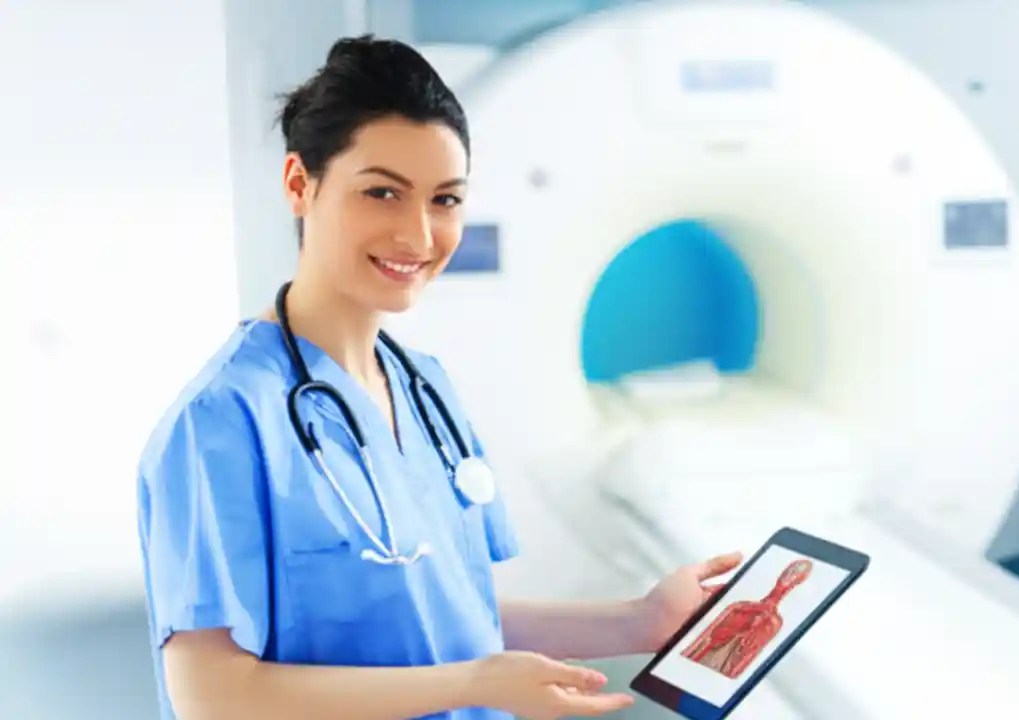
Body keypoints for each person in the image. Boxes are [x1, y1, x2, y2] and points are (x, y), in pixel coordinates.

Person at [136, 34, 743, 720]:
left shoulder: (424, 389)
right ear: (299, 184)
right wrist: (474, 685)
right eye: (383, 193)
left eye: (445, 200)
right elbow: (212, 698)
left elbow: (447, 615)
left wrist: (639, 621)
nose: (419, 237)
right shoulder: (223, 423)